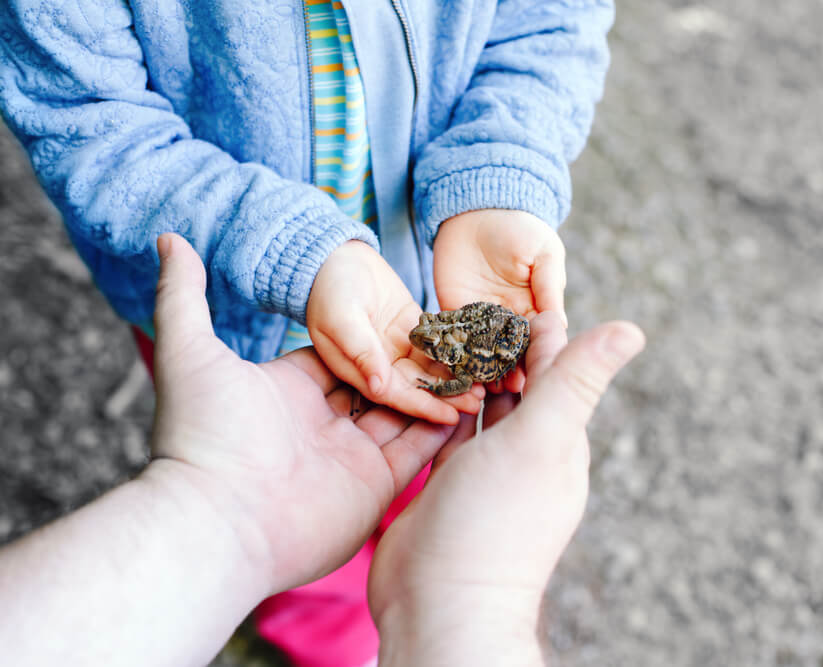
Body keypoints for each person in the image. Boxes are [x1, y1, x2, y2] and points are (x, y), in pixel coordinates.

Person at [0, 3, 613, 662]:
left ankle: (409, 597)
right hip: (232, 307)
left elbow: (550, 25)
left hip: (429, 276)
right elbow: (91, 125)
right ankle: (328, 628)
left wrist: (501, 176)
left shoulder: (448, 330)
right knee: (295, 495)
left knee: (421, 457)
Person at [0, 234, 645, 666]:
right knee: (362, 520)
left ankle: (375, 621)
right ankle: (337, 636)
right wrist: (465, 601)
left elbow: (466, 365)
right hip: (379, 367)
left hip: (472, 343)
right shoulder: (432, 337)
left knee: (410, 488)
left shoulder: (459, 353)